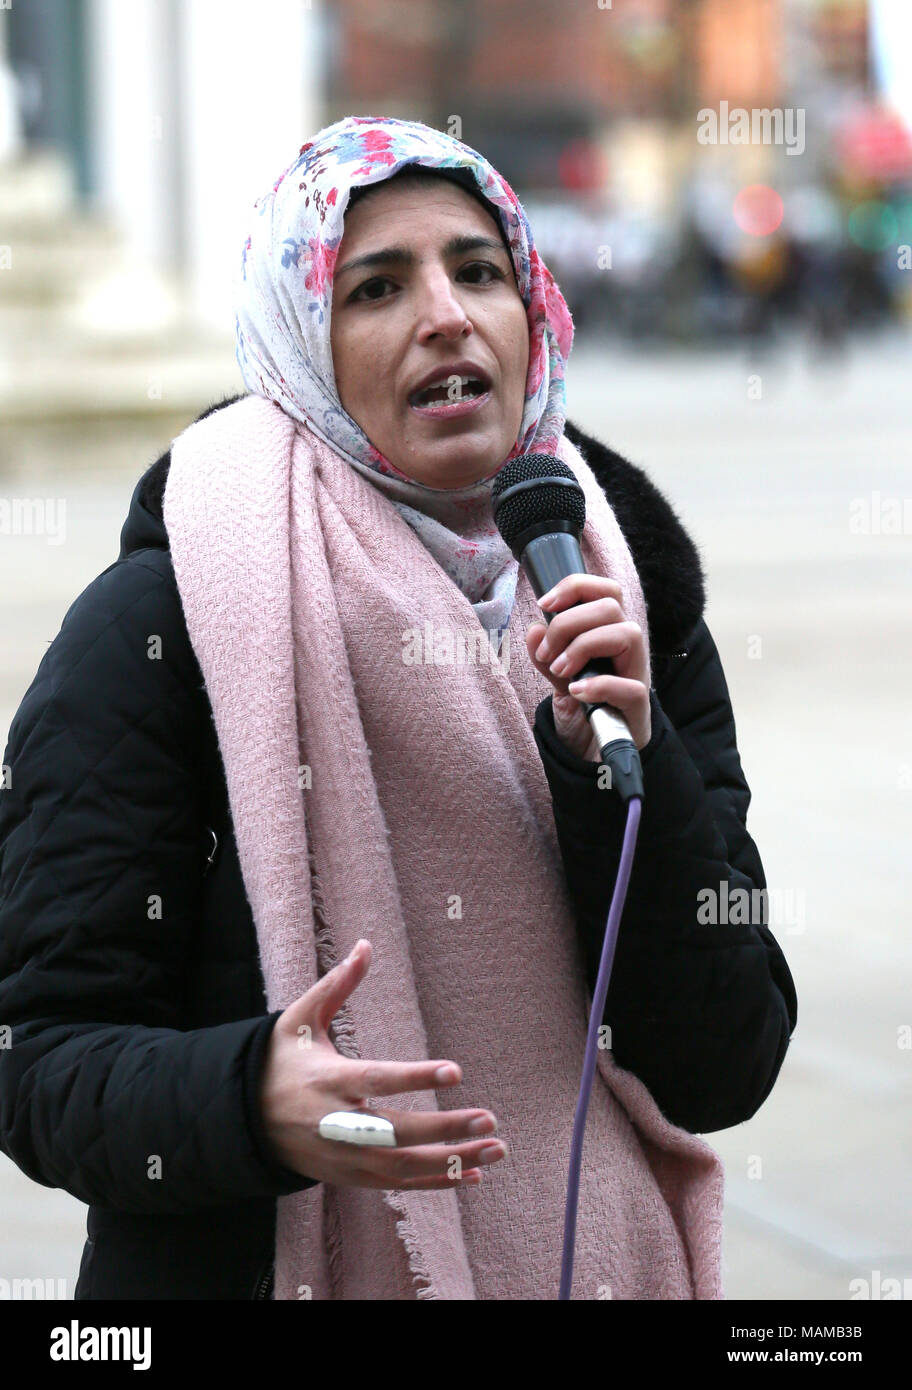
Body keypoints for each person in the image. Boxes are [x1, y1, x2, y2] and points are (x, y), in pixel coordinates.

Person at [0, 116, 797, 1301]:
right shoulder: (160, 628)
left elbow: (727, 1062)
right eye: (375, 286)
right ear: (300, 348)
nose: (446, 314)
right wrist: (246, 1100)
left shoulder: (620, 596)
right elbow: (38, 1057)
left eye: (480, 270)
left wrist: (623, 767)